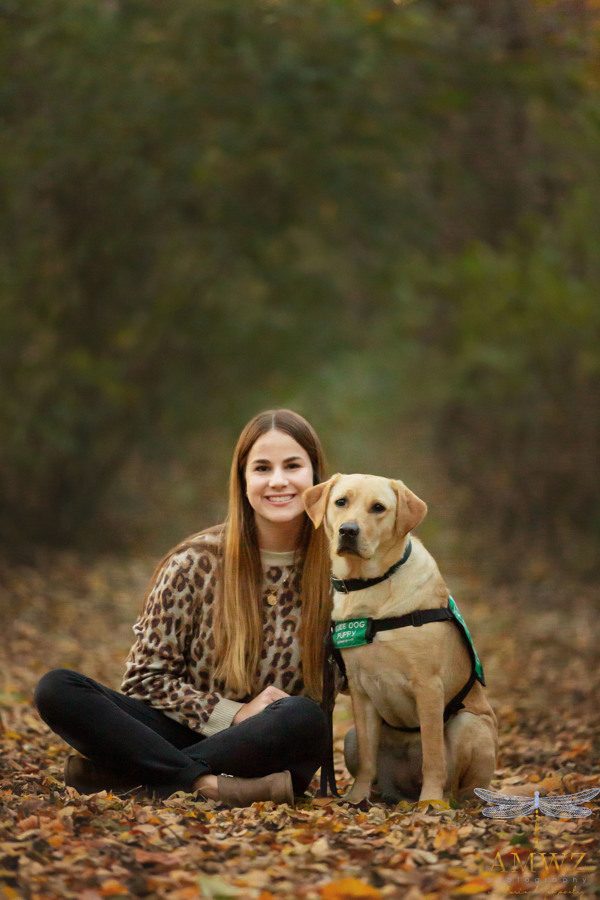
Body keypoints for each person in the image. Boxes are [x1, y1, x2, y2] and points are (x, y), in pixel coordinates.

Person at [34, 409, 332, 807]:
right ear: (243, 480)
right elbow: (143, 680)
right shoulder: (194, 562)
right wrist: (233, 714)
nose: (278, 481)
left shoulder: (339, 571)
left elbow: (363, 675)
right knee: (57, 688)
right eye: (262, 468)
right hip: (179, 733)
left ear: (315, 475)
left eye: (292, 465)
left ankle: (129, 778)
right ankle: (204, 785)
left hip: (271, 745)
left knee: (305, 718)